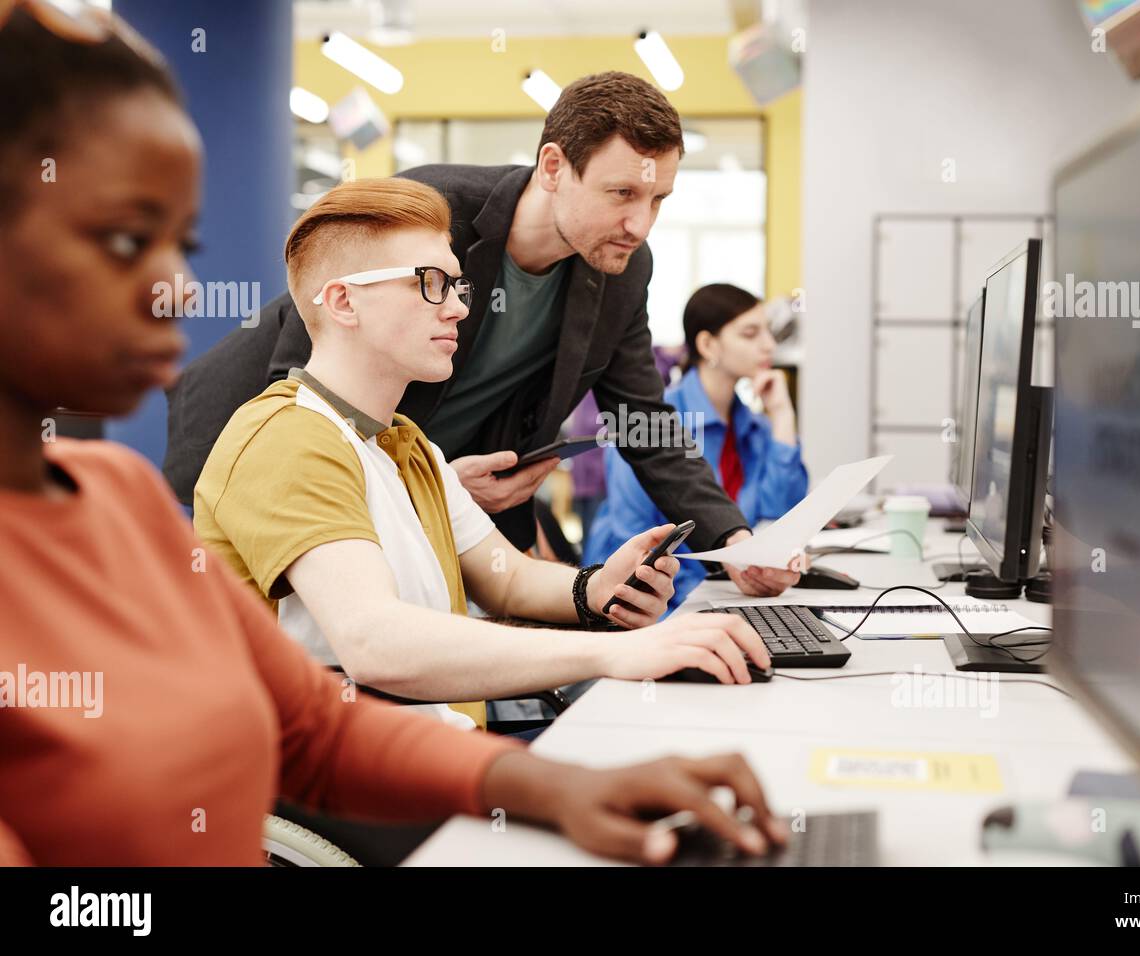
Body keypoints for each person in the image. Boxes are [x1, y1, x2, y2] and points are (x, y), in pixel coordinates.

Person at [0, 1, 787, 866]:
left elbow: (313, 726)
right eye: (124, 239)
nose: (181, 291)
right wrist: (617, 656)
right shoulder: (291, 432)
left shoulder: (121, 497)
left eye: (182, 247)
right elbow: (366, 627)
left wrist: (558, 784)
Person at [163, 70, 800, 600]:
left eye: (658, 199)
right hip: (264, 451)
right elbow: (306, 383)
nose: (641, 224)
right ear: (553, 166)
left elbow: (643, 419)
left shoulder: (622, 270)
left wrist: (734, 541)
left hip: (435, 481)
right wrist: (418, 487)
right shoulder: (431, 214)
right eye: (621, 193)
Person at [194, 178, 775, 740]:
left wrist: (597, 588)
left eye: (456, 286)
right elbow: (373, 641)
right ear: (344, 302)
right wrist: (616, 652)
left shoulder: (408, 445)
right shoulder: (288, 439)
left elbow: (508, 579)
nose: (456, 309)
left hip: (439, 748)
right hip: (353, 780)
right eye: (429, 283)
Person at [585, 284, 809, 612]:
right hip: (651, 603)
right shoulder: (651, 425)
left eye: (768, 332)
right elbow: (632, 542)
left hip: (728, 594)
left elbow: (779, 515)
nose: (769, 345)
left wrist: (783, 416)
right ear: (707, 345)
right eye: (750, 334)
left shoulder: (753, 427)